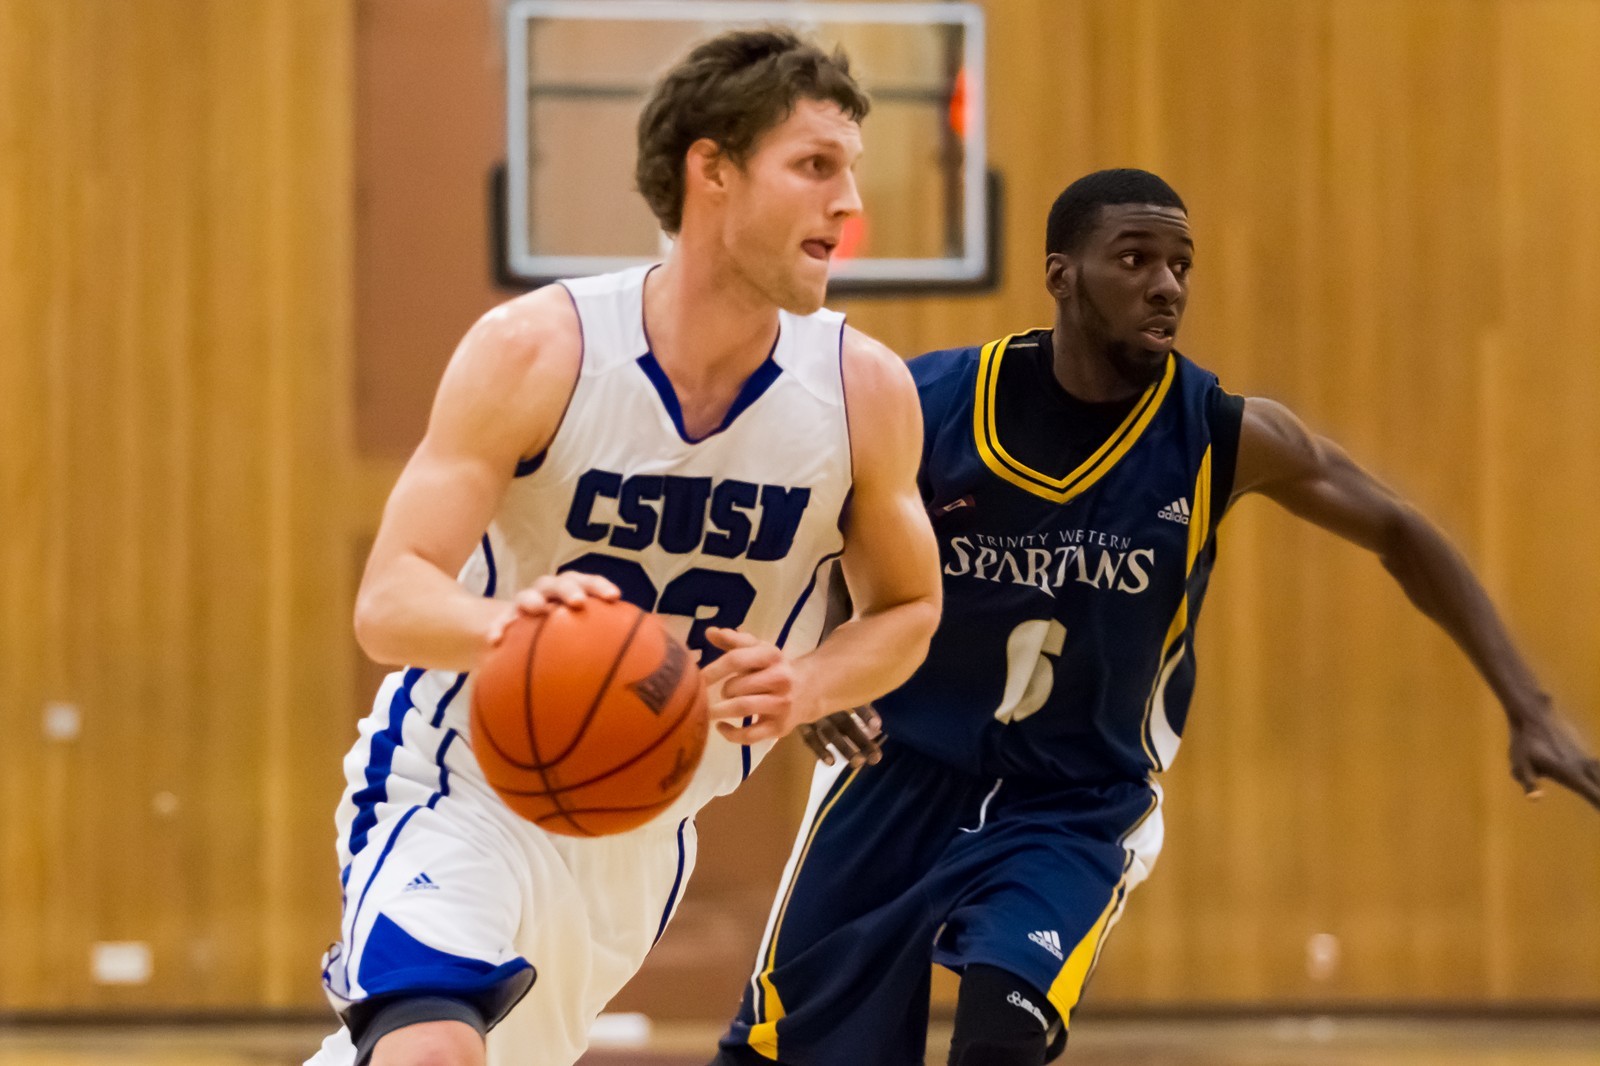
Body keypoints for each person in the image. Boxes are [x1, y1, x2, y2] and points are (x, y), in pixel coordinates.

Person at [712, 168, 1600, 1066]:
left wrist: (1529, 705)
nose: (1167, 285)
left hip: (1074, 800)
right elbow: (826, 531)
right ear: (1061, 275)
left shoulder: (1219, 434)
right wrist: (820, 665)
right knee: (787, 1051)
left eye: (1181, 265)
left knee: (1001, 1041)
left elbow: (1401, 532)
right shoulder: (930, 402)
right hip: (898, 768)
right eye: (1135, 259)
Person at [306, 29, 942, 1066]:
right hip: (460, 782)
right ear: (713, 169)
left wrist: (808, 683)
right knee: (429, 1050)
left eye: (851, 170)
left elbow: (910, 609)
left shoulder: (862, 391)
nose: (849, 202)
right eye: (815, 166)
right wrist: (516, 634)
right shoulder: (539, 350)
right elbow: (389, 602)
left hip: (641, 827)